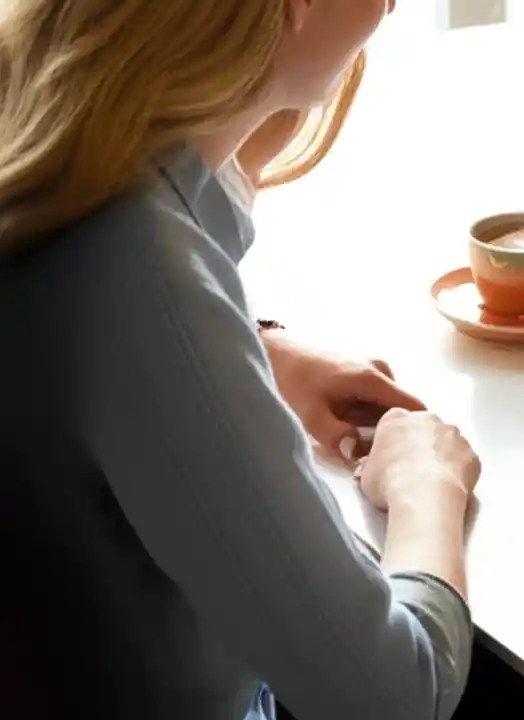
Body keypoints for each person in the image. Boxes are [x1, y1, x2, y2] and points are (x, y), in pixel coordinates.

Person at [0, 2, 482, 719]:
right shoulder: (138, 268)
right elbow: (392, 697)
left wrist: (251, 347)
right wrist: (426, 485)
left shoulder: (44, 146)